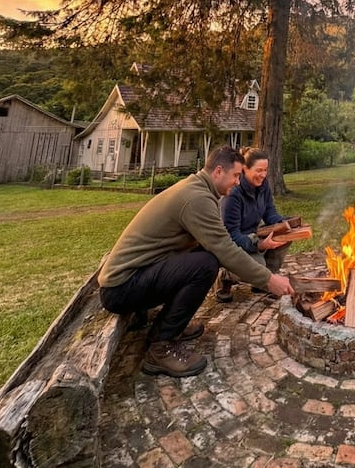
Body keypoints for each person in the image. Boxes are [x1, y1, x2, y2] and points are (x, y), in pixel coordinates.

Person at [98, 145, 294, 379]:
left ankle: (173, 325)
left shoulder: (198, 189)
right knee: (205, 264)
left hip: (135, 276)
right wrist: (269, 280)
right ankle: (160, 347)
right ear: (218, 171)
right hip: (121, 288)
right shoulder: (197, 199)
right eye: (235, 175)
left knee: (204, 255)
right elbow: (225, 249)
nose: (238, 181)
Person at [218, 148, 290, 300]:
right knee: (258, 264)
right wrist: (260, 244)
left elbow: (270, 213)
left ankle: (264, 282)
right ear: (245, 168)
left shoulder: (263, 185)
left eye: (265, 170)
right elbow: (231, 235)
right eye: (259, 170)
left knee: (286, 236)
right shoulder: (233, 194)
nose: (263, 174)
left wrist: (284, 224)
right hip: (233, 245)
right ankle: (224, 275)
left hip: (252, 237)